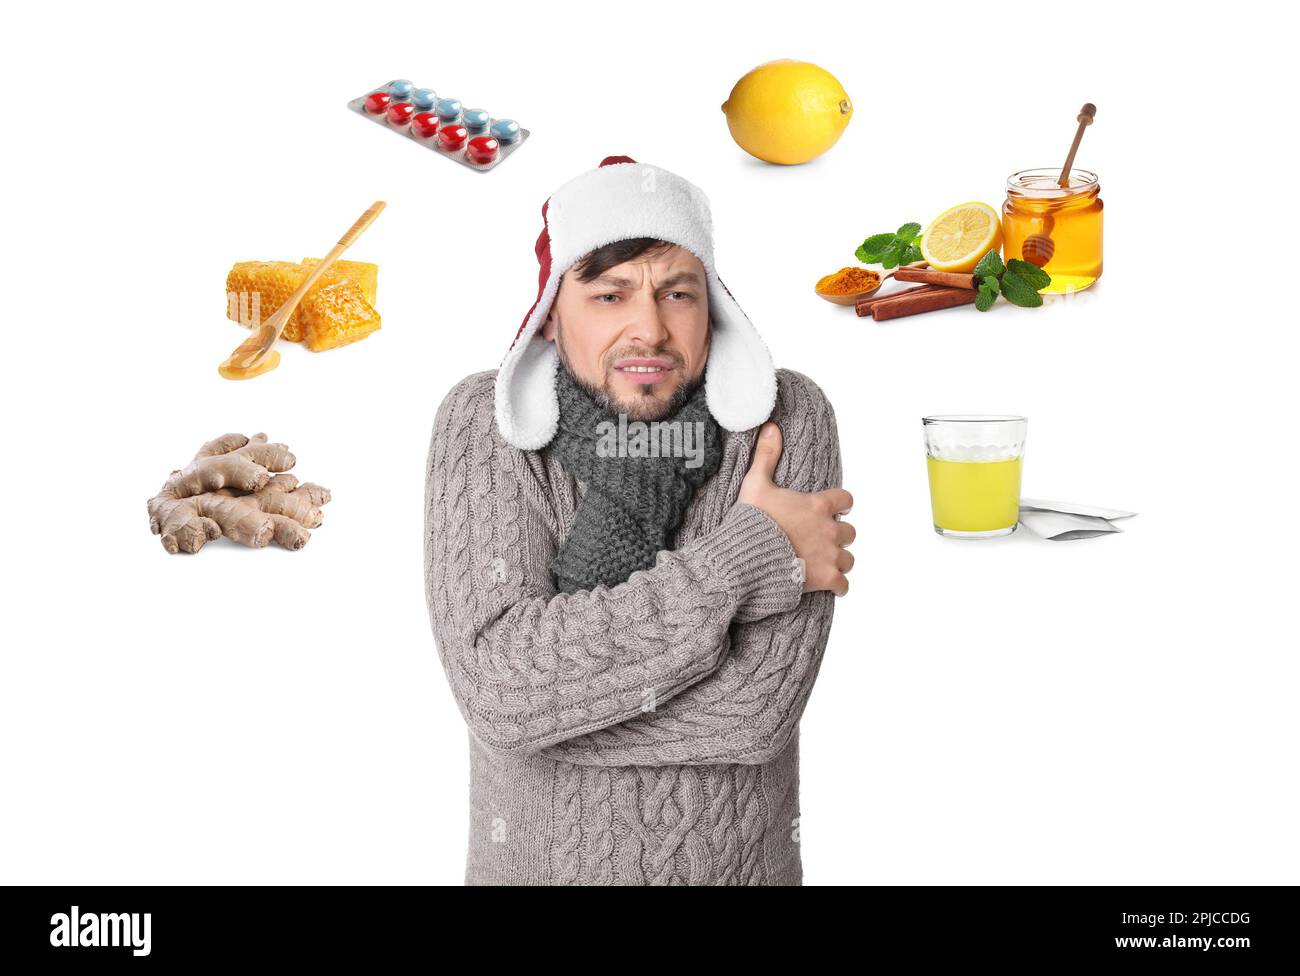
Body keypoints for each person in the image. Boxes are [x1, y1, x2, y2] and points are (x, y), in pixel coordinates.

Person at [425, 156, 855, 885]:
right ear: (552, 316)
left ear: (712, 308)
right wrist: (744, 558)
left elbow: (758, 711)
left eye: (676, 293)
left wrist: (551, 713)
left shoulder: (786, 419)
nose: (648, 330)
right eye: (609, 295)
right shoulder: (487, 423)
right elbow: (497, 695)